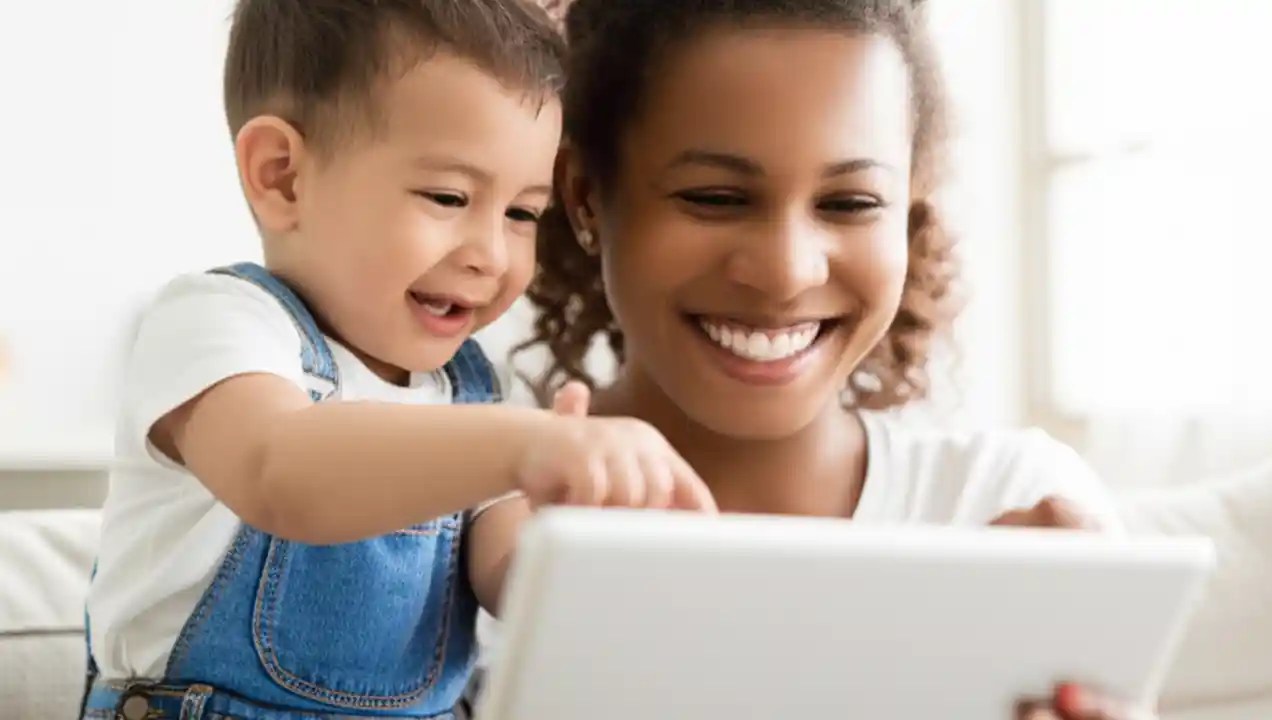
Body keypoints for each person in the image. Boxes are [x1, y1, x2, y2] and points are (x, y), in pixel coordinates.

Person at [476, 0, 1155, 717]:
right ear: (585, 199)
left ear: (908, 213)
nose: (786, 272)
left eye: (850, 202)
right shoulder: (475, 518)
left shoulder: (1010, 505)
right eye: (715, 197)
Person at [81, 1, 714, 718]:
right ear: (283, 176)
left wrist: (579, 542)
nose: (490, 255)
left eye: (521, 214)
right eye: (449, 196)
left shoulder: (470, 391)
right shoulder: (217, 325)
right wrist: (527, 443)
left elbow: (505, 574)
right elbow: (281, 472)